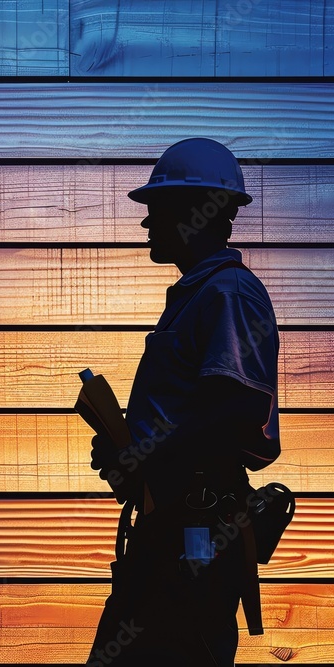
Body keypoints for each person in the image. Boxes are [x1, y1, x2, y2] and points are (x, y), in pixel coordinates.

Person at [84, 138, 281, 666]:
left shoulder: (227, 295)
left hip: (193, 538)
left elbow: (235, 410)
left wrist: (142, 451)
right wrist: (131, 452)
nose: (147, 225)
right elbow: (204, 414)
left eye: (158, 212)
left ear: (197, 213)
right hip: (176, 531)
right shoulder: (204, 296)